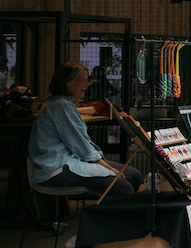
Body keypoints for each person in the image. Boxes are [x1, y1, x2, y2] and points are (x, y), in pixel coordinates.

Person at [28, 62, 142, 196]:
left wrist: (106, 167)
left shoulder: (60, 103)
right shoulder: (61, 106)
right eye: (82, 80)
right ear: (68, 83)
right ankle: (101, 216)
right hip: (57, 168)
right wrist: (109, 169)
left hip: (68, 160)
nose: (87, 84)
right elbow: (81, 147)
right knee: (122, 187)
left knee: (134, 175)